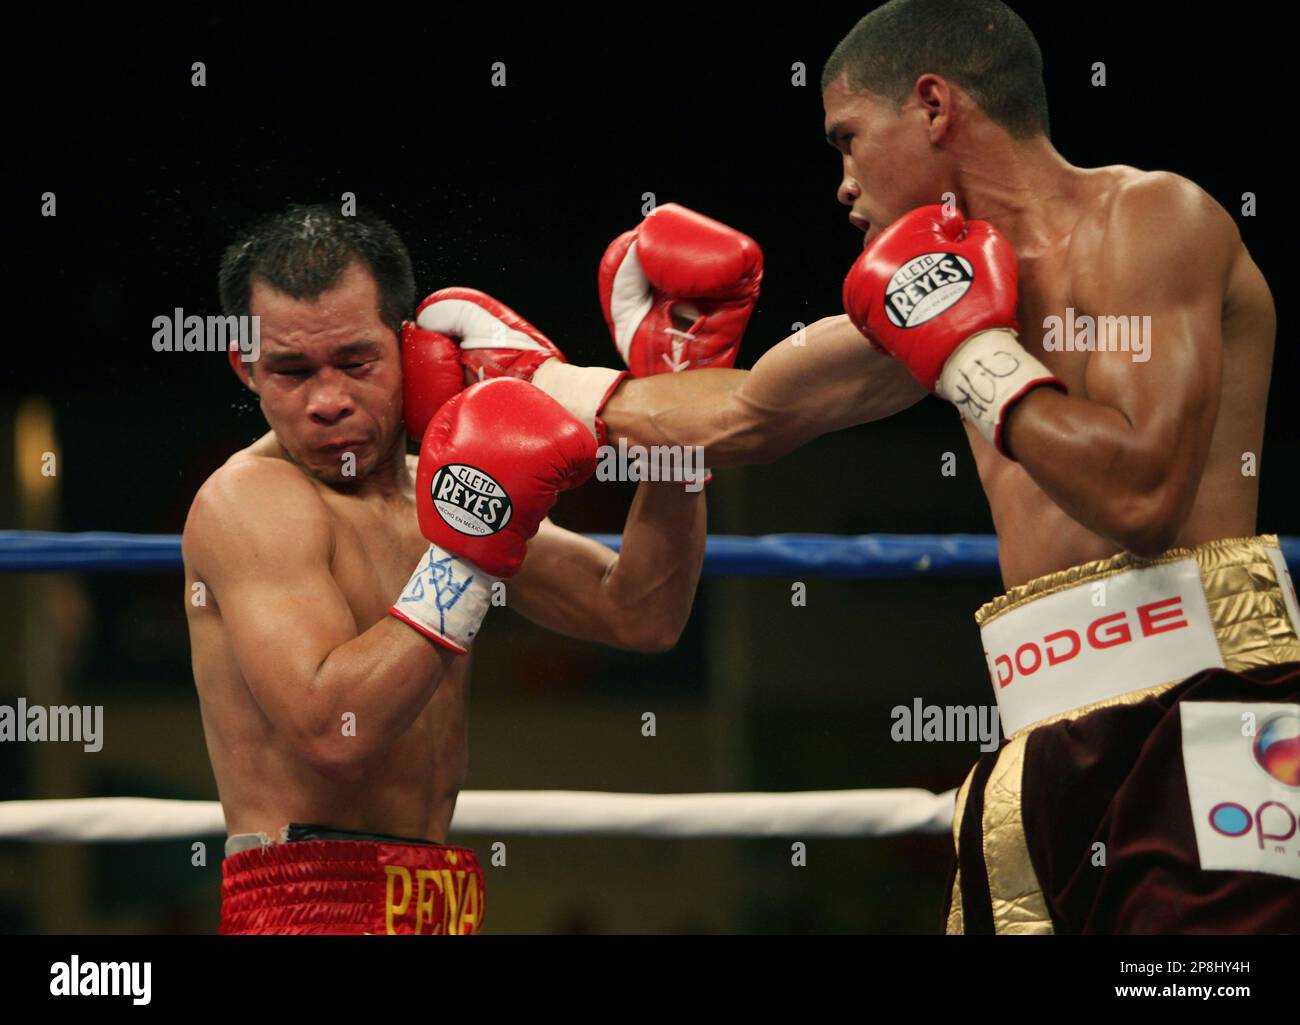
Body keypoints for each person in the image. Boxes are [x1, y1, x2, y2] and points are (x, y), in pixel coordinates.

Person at [438, 0, 1299, 933]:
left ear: (934, 106)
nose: (841, 184)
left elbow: (1142, 493)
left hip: (1208, 704)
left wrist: (972, 358)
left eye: (848, 139)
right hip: (1042, 728)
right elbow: (748, 416)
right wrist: (529, 378)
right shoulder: (929, 292)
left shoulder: (1152, 218)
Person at [182, 204, 720, 934]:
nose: (328, 400)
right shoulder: (247, 501)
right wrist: (469, 547)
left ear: (408, 347)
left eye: (355, 361)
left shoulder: (441, 492)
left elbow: (641, 612)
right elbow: (334, 730)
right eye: (292, 371)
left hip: (439, 898)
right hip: (307, 900)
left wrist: (679, 440)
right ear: (245, 365)